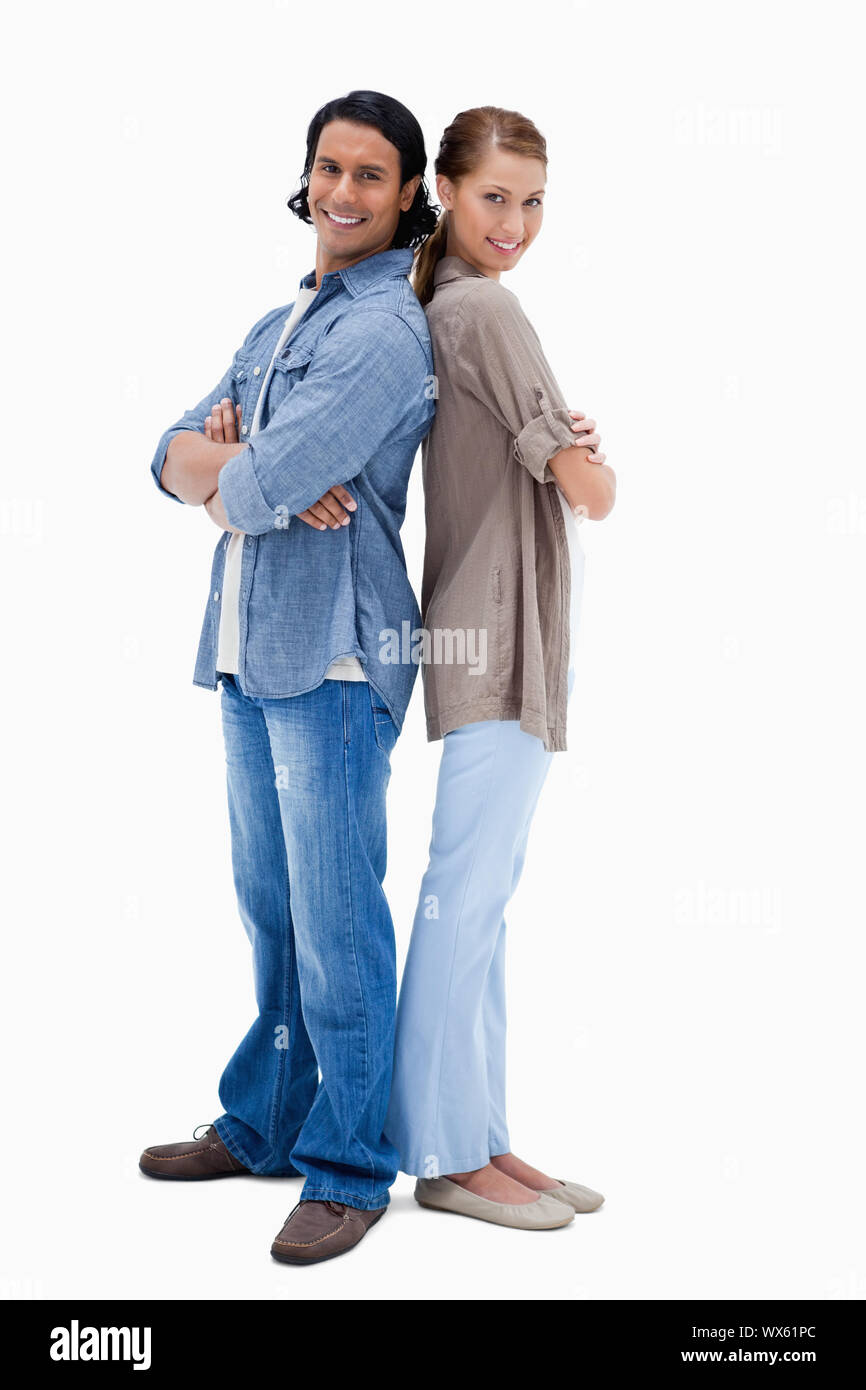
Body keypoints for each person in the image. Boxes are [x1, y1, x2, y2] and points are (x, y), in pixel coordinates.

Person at [141, 91, 437, 1265]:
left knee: (335, 924)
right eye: (329, 168)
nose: (344, 193)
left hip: (336, 654)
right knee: (270, 908)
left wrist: (234, 475)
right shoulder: (276, 325)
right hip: (248, 645)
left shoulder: (382, 333)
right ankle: (265, 1119)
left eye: (372, 175)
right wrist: (226, 466)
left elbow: (257, 488)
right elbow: (162, 457)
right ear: (305, 175)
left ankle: (351, 1165)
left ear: (409, 194)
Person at [384, 106, 617, 1230]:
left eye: (532, 202)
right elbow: (590, 491)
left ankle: (478, 1134)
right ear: (445, 187)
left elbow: (546, 459)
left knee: (480, 903)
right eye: (494, 197)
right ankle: (439, 1151)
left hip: (492, 635)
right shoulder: (486, 306)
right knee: (460, 901)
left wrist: (563, 446)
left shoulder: (448, 303)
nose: (515, 221)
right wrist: (585, 453)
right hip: (495, 635)